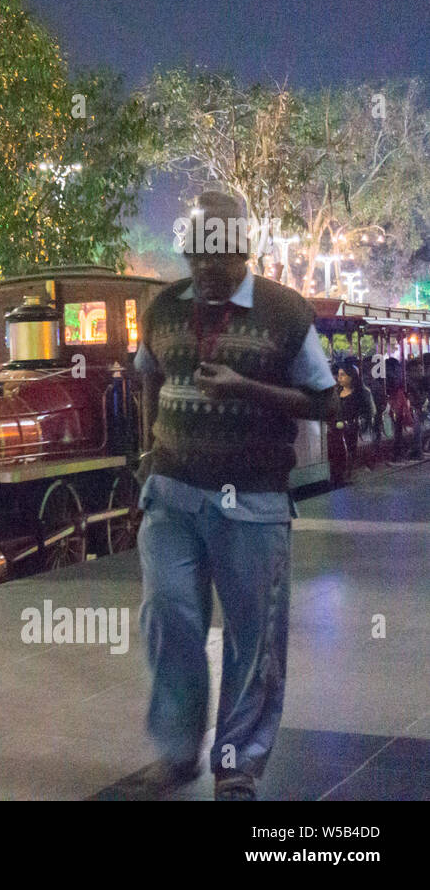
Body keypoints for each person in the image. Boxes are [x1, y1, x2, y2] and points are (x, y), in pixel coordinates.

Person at [133, 190, 338, 801]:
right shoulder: (164, 307)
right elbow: (148, 376)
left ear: (244, 248)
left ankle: (237, 764)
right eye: (196, 255)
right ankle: (176, 752)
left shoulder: (284, 312)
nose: (205, 269)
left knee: (255, 636)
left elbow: (327, 404)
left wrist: (247, 387)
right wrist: (148, 452)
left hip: (250, 501)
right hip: (171, 494)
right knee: (169, 617)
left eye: (218, 258)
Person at [330, 359, 374, 484]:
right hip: (339, 424)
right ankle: (342, 474)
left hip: (349, 424)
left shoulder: (358, 392)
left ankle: (346, 473)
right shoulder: (339, 390)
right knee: (343, 449)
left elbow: (366, 410)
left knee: (348, 448)